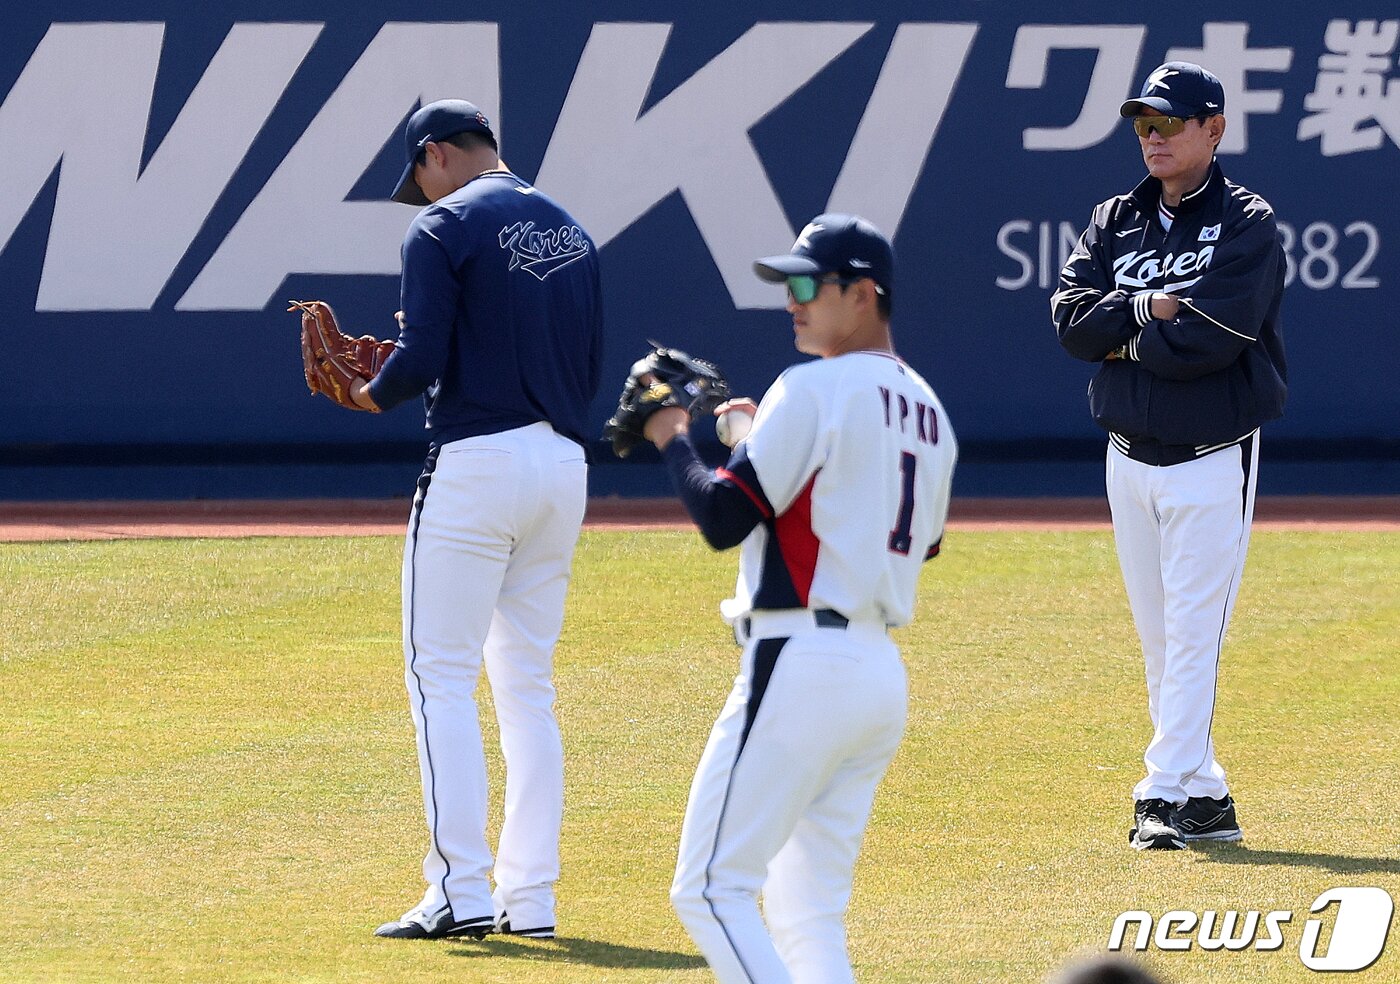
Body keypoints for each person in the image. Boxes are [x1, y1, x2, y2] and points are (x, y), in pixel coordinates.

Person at [638, 214, 957, 982]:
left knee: (710, 889)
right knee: (806, 916)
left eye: (811, 284)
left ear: (865, 294)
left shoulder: (811, 388)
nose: (793, 300)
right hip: (876, 674)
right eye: (790, 285)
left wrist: (671, 436)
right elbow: (904, 529)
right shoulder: (931, 411)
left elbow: (722, 516)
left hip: (800, 664)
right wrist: (754, 440)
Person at [350, 99, 603, 938]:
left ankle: (459, 892)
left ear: (434, 155)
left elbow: (419, 356)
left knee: (441, 679)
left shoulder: (441, 227)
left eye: (417, 178)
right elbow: (583, 362)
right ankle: (531, 900)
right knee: (526, 687)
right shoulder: (572, 228)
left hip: (477, 465)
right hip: (563, 466)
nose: (419, 195)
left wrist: (369, 391)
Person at [1052, 62, 1286, 850]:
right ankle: (1208, 794)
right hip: (1127, 456)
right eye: (1142, 124)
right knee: (1161, 639)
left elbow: (1212, 340)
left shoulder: (1249, 221)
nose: (1151, 137)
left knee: (1192, 634)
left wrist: (1123, 336)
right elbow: (1070, 321)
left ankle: (1162, 792)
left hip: (1213, 455)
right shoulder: (1115, 217)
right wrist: (1144, 308)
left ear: (1213, 129)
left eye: (1168, 123)